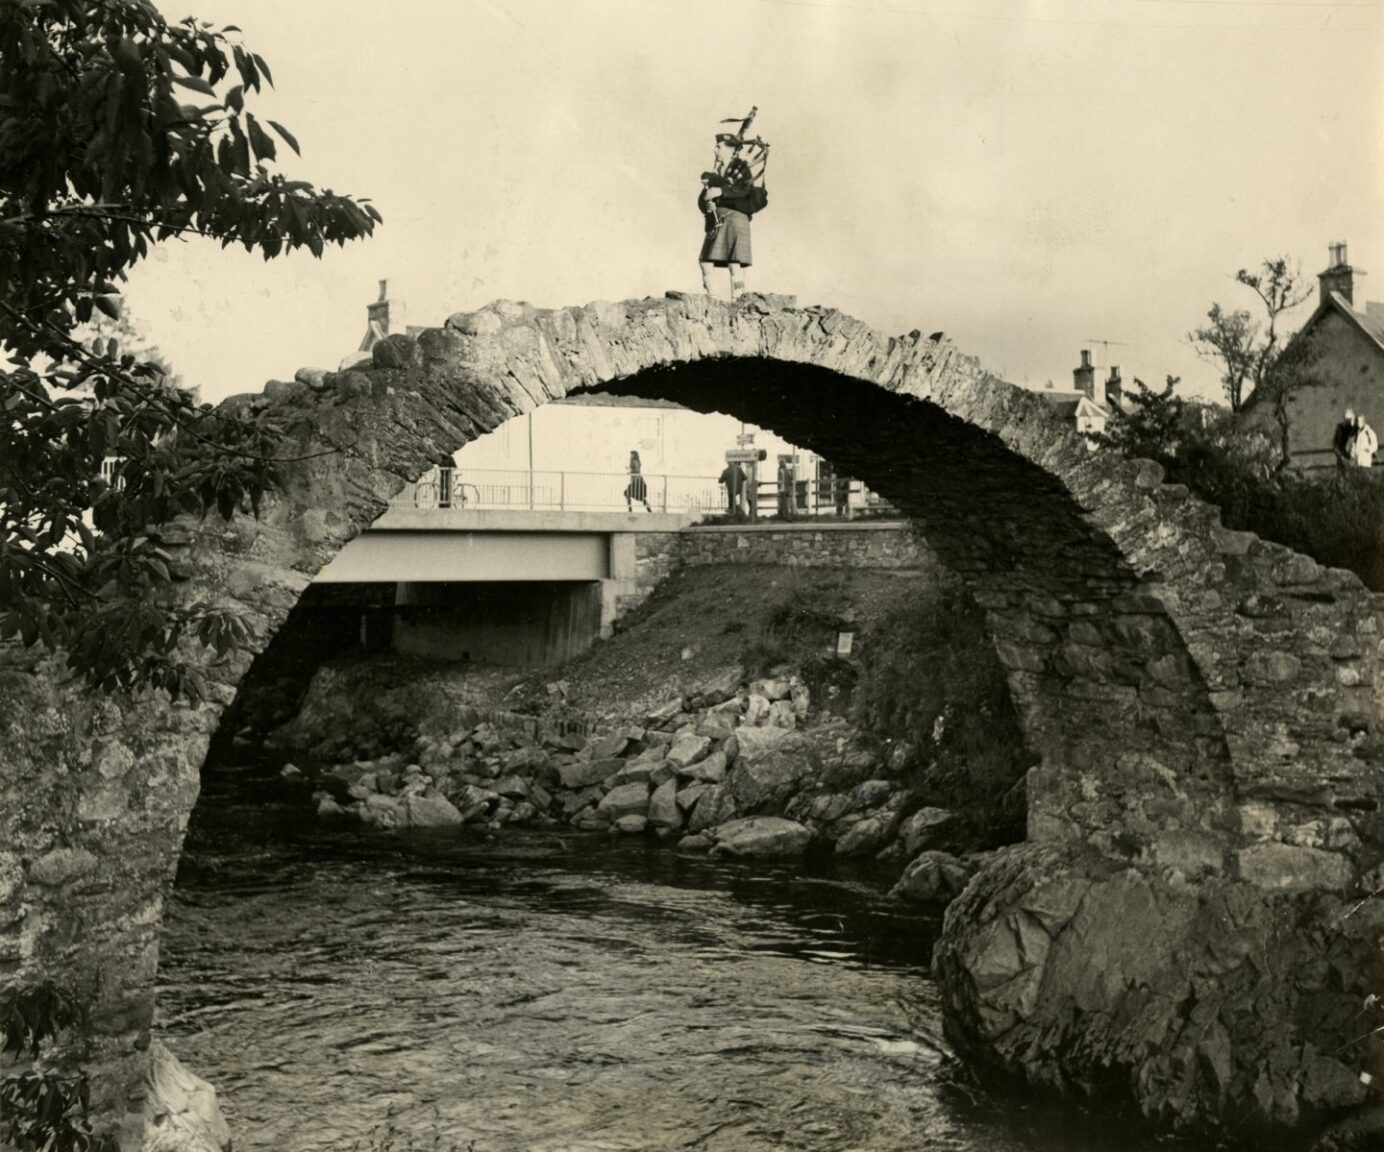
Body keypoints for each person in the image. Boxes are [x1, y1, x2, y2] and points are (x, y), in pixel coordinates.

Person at [699, 133, 758, 300]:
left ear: (731, 149)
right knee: (705, 261)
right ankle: (714, 300)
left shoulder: (742, 167)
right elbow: (703, 198)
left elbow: (745, 190)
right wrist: (708, 206)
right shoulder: (715, 172)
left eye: (719, 147)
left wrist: (721, 191)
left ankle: (737, 301)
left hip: (736, 218)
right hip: (718, 219)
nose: (715, 150)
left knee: (734, 263)